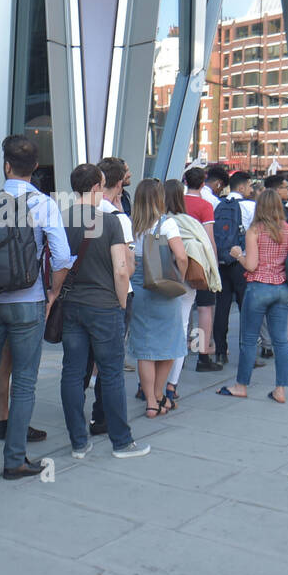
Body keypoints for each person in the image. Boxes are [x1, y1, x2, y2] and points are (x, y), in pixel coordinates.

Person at [0, 135, 71, 479]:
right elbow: (62, 256)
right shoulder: (44, 204)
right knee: (25, 381)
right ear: (36, 168)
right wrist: (52, 294)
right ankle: (15, 460)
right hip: (30, 302)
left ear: (5, 165)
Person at [56, 164, 150, 458]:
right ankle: (122, 442)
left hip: (72, 304)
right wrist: (121, 304)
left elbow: (55, 264)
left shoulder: (61, 218)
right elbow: (122, 271)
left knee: (72, 372)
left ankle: (78, 442)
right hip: (105, 305)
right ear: (97, 187)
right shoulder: (109, 222)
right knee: (110, 373)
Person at [218, 190, 288, 402]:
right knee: (280, 340)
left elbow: (251, 265)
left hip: (259, 287)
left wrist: (237, 255)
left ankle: (241, 385)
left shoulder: (255, 230)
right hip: (282, 287)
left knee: (250, 339)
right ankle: (280, 389)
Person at [128, 178, 189, 417]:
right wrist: (179, 280)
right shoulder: (166, 224)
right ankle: (159, 393)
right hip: (164, 288)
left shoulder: (131, 224)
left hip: (139, 288)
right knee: (170, 345)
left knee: (145, 348)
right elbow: (181, 257)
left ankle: (151, 401)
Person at [87, 156, 137, 435]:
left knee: (80, 363)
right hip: (115, 296)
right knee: (111, 360)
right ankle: (102, 417)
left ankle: (76, 418)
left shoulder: (79, 212)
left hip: (85, 294)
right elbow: (126, 267)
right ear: (118, 183)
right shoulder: (119, 219)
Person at [163, 180, 220, 401]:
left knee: (159, 331)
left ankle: (146, 385)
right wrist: (211, 270)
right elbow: (209, 243)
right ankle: (174, 382)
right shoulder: (197, 214)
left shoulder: (155, 220)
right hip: (188, 279)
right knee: (187, 323)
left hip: (158, 281)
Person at [211, 171, 257, 365]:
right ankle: (247, 354)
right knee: (246, 308)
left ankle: (221, 352)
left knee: (222, 307)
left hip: (222, 261)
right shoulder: (250, 207)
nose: (252, 189)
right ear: (242, 187)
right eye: (250, 186)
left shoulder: (219, 205)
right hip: (241, 261)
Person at [182, 168, 219, 376]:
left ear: (185, 181)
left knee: (182, 308)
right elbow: (209, 238)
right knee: (205, 307)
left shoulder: (176, 203)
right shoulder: (206, 206)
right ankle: (202, 354)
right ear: (203, 183)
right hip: (200, 262)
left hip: (177, 260)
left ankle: (178, 351)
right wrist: (213, 265)